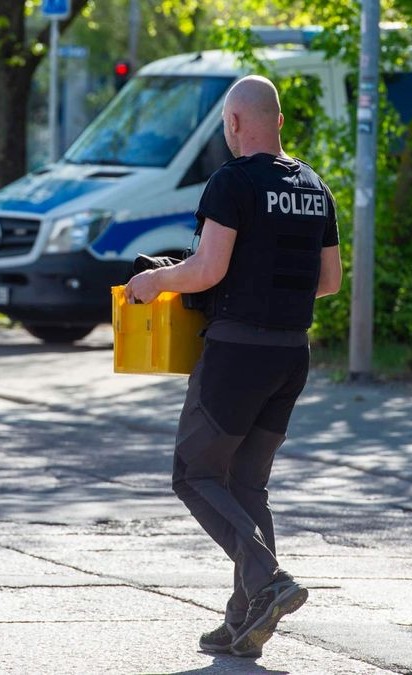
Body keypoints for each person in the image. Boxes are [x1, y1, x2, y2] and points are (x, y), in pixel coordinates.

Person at [124, 75, 342, 658]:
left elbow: (207, 270)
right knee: (246, 483)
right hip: (291, 354)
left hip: (236, 354)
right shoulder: (315, 187)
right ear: (278, 121)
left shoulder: (232, 181)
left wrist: (154, 281)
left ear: (237, 123)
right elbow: (329, 282)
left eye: (226, 122)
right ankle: (245, 621)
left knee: (194, 473)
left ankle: (268, 580)